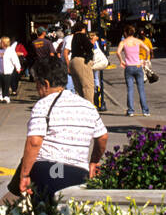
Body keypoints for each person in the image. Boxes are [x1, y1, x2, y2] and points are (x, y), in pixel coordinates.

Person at [16, 53, 108, 197]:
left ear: (45, 84)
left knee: (45, 211)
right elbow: (103, 137)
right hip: (79, 172)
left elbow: (34, 142)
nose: (37, 89)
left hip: (52, 169)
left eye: (37, 85)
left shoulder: (43, 105)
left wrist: (25, 175)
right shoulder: (87, 106)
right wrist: (94, 161)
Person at [117, 23, 150, 117]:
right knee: (141, 89)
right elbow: (147, 49)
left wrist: (121, 61)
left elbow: (118, 52)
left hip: (128, 67)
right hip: (138, 66)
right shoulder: (138, 41)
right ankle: (145, 111)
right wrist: (145, 60)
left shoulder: (123, 42)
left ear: (125, 33)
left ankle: (131, 110)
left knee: (130, 89)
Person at [67, 22, 96, 103]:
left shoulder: (74, 37)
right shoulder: (82, 36)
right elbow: (89, 46)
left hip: (73, 61)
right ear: (83, 29)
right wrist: (93, 41)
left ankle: (81, 105)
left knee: (78, 87)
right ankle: (89, 107)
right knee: (88, 86)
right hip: (81, 61)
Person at [0, 36, 21, 102]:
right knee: (1, 83)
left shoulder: (10, 50)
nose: (0, 43)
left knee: (6, 83)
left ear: (5, 43)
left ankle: (6, 96)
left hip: (8, 70)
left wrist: (18, 67)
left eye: (2, 42)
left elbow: (15, 59)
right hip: (0, 70)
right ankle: (3, 96)